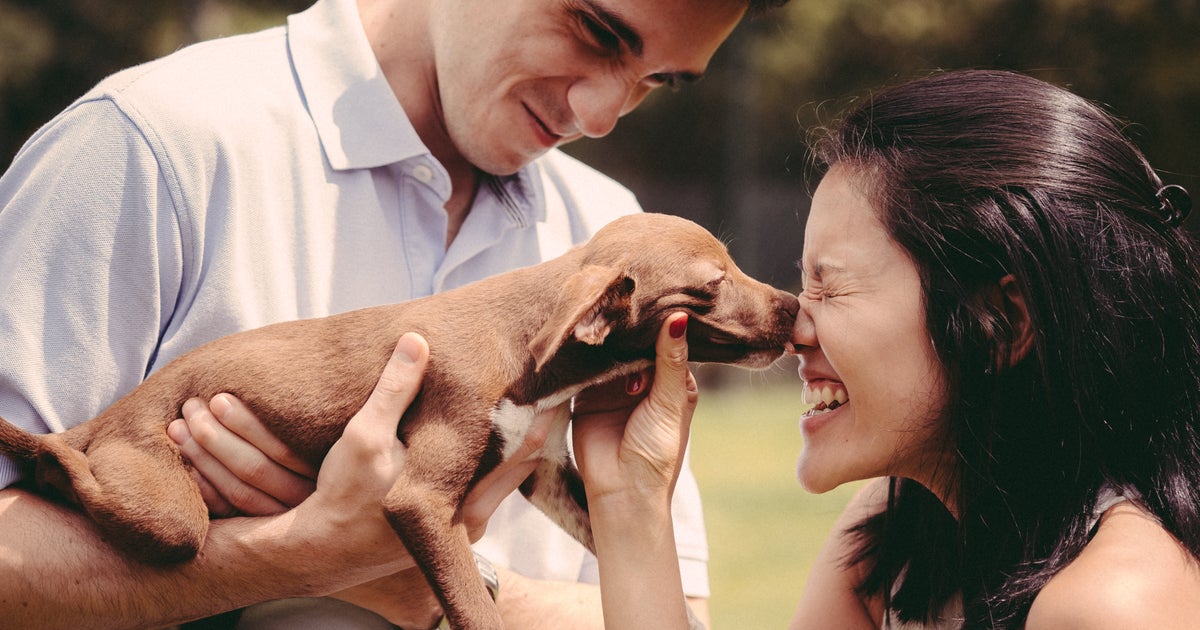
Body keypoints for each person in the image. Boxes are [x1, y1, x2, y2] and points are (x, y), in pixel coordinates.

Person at [0, 0, 789, 627]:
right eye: (593, 29)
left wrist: (436, 582)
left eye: (658, 80)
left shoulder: (619, 234)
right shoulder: (155, 147)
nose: (601, 114)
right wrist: (290, 560)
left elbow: (670, 617)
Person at [574, 68, 1200, 629]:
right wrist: (630, 498)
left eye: (830, 284)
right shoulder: (899, 534)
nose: (795, 329)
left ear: (1001, 322)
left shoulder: (1111, 606)